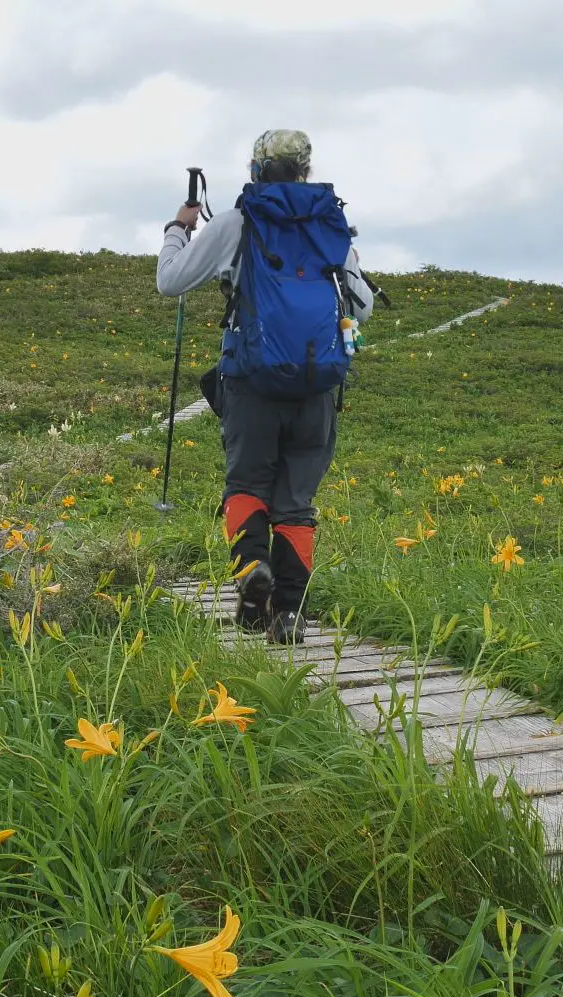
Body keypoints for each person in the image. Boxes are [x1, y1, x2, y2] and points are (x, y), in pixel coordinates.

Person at [157, 129, 375, 644]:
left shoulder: (239, 221)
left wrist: (177, 229)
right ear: (305, 171)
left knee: (247, 486)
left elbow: (170, 281)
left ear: (256, 170)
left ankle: (253, 565)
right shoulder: (330, 224)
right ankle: (289, 614)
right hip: (316, 387)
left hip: (250, 381)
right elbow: (362, 307)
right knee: (296, 503)